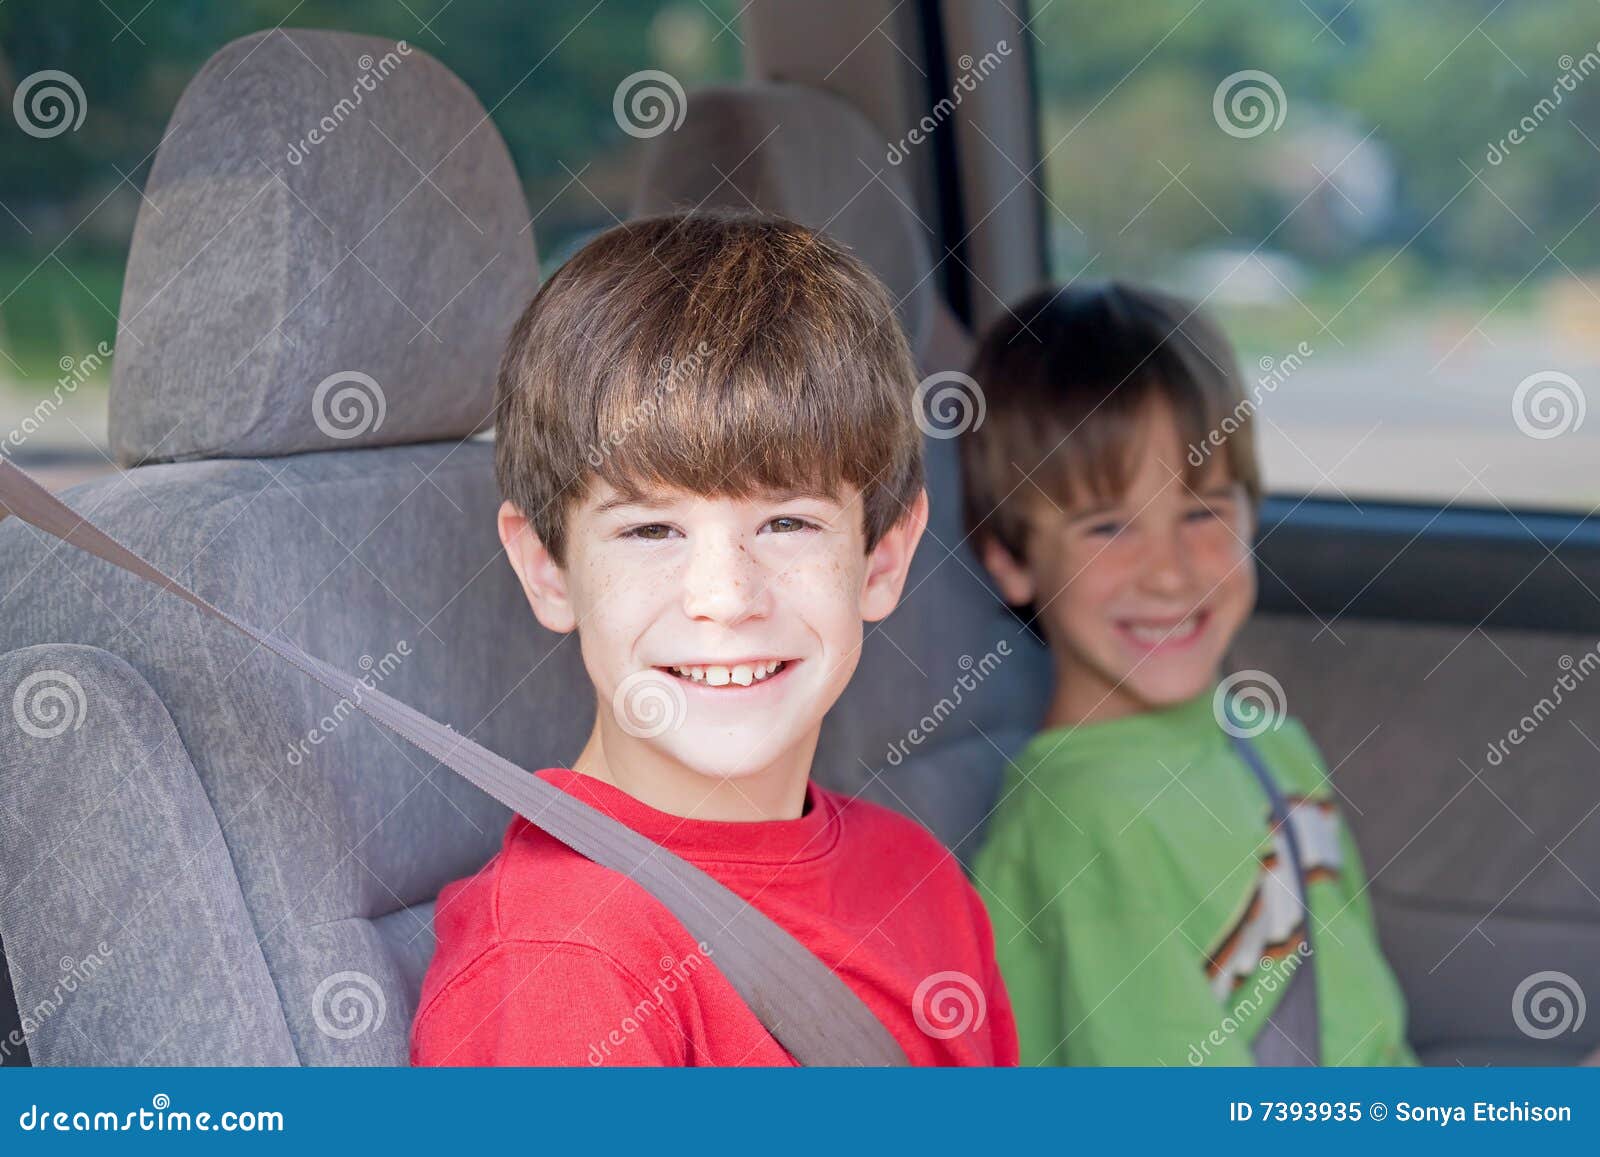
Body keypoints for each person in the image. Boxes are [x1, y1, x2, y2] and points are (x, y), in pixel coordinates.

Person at [411, 211, 1017, 1066]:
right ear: (548, 569)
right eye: (651, 530)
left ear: (882, 558)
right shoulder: (565, 964)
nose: (726, 598)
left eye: (788, 523)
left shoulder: (917, 876)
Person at [963, 282, 1415, 1066]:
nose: (1170, 573)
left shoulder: (1269, 739)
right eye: (1109, 527)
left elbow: (1361, 1020)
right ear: (1010, 557)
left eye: (1203, 512)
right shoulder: (1082, 824)